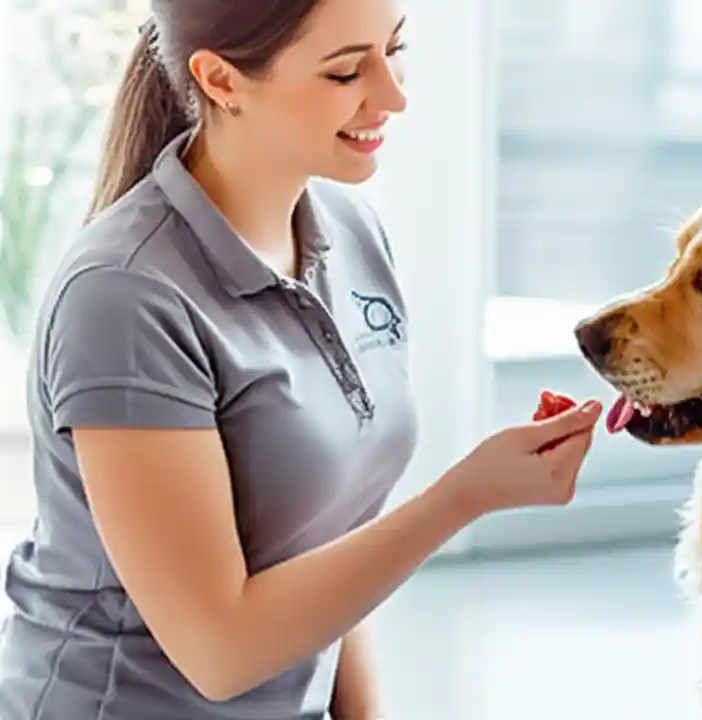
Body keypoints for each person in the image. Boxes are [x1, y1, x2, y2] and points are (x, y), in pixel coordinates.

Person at [0, 0, 603, 717]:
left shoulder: (350, 233)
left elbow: (330, 538)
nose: (394, 96)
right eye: (346, 72)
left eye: (394, 50)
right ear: (221, 80)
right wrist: (463, 496)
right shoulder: (124, 298)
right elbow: (219, 651)